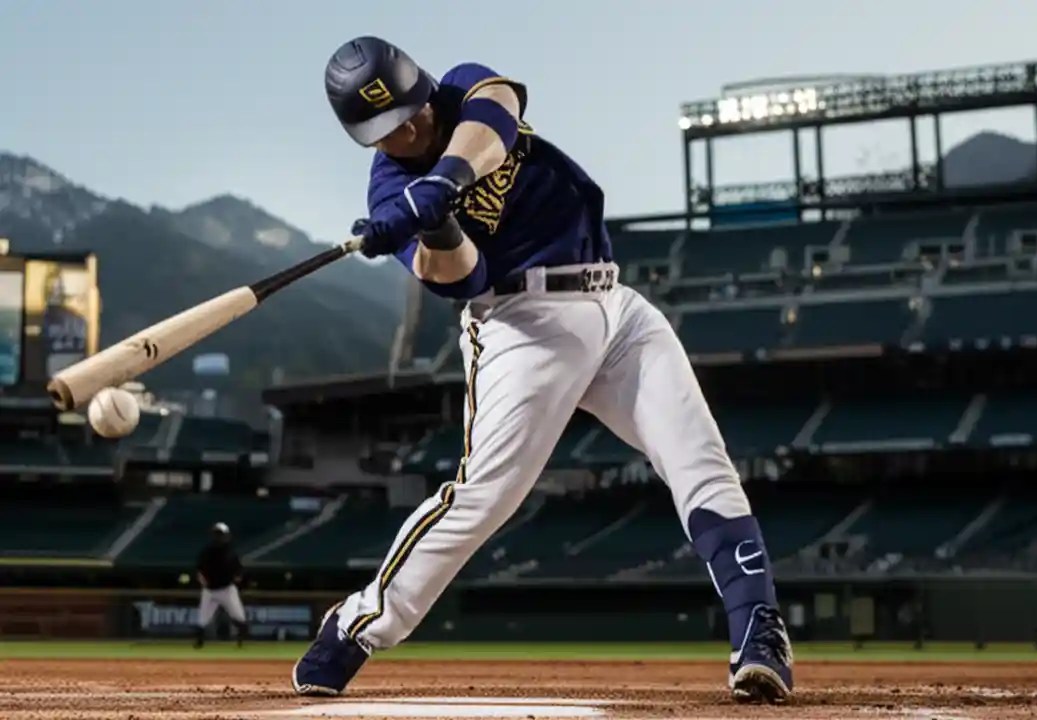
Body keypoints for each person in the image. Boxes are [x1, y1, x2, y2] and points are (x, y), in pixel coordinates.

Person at [292, 36, 794, 703]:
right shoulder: (390, 190)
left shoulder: (463, 90)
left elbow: (495, 118)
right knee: (484, 499)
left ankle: (757, 627)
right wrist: (431, 228)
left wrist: (443, 182)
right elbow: (462, 279)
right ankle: (355, 626)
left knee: (700, 459)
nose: (406, 130)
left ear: (422, 87)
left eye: (410, 110)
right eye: (385, 130)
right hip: (521, 326)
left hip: (615, 305)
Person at [194, 522, 249, 648]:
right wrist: (201, 578)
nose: (218, 537)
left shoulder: (230, 553)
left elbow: (239, 571)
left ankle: (241, 641)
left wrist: (236, 578)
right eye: (216, 534)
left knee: (238, 616)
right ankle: (199, 642)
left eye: (220, 535)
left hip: (226, 589)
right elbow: (199, 569)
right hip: (210, 590)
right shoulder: (207, 552)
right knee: (203, 618)